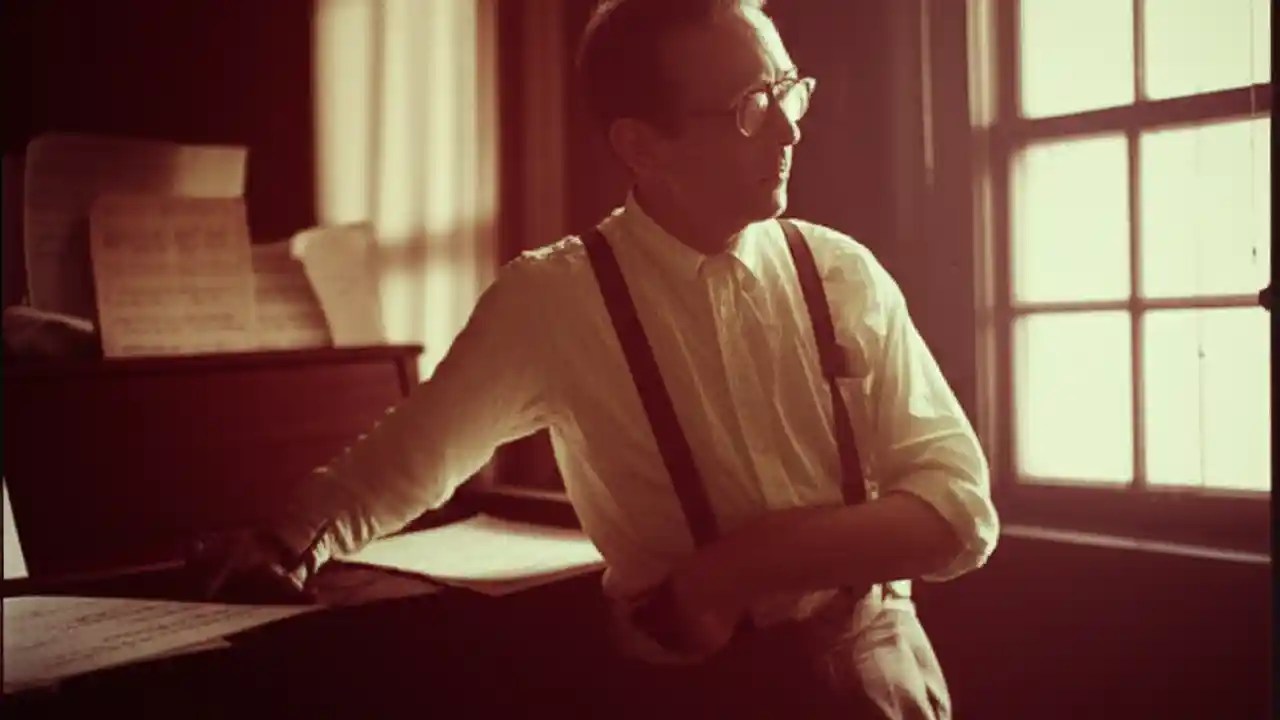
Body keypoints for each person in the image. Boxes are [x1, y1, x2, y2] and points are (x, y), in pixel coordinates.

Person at [193, 0, 998, 716]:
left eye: (790, 88)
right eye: (754, 106)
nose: (790, 126)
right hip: (694, 684)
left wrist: (723, 574)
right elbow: (411, 456)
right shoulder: (554, 299)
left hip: (879, 672)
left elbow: (961, 515)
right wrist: (287, 539)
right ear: (642, 146)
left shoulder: (841, 271)